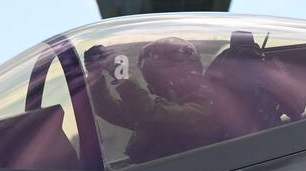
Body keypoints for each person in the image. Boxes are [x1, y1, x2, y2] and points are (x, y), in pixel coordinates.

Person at [85, 36, 224, 163]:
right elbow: (110, 111)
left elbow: (150, 114)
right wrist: (96, 78)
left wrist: (121, 74)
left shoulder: (207, 108)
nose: (154, 83)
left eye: (157, 76)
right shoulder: (172, 105)